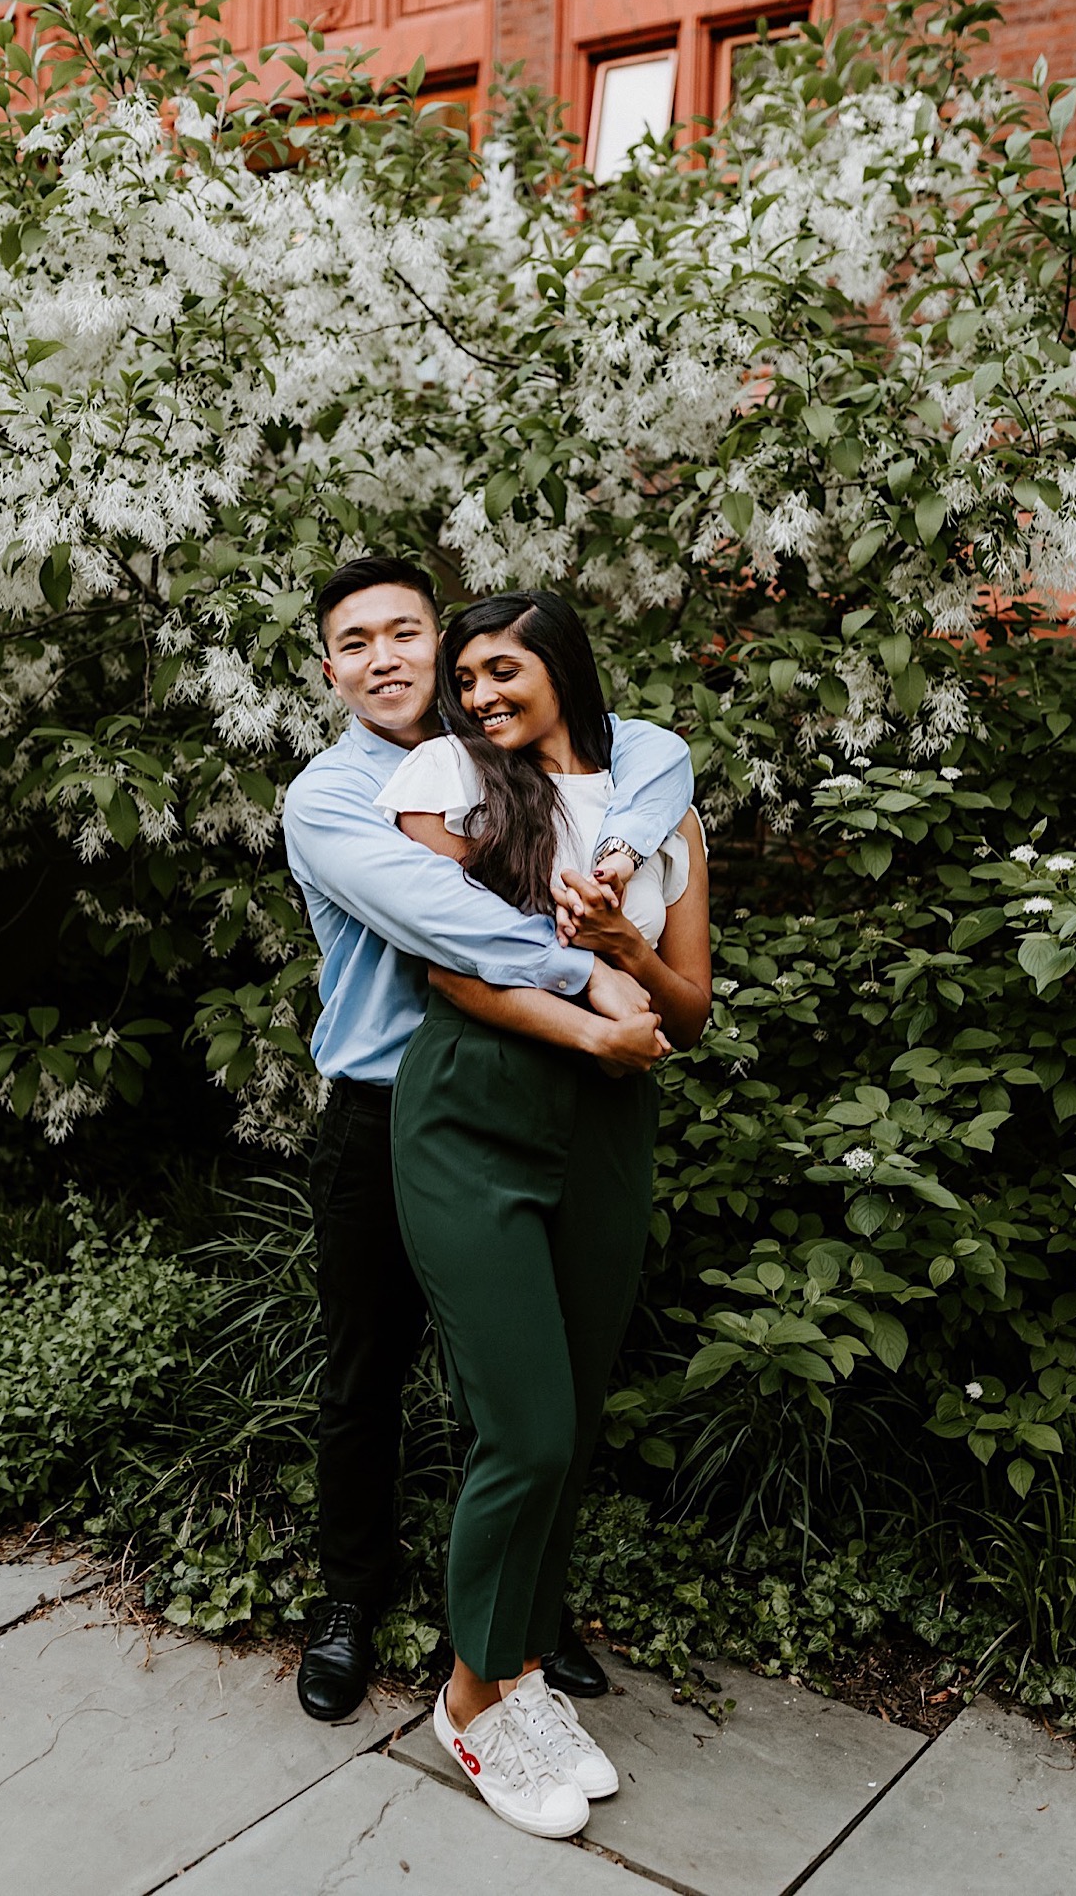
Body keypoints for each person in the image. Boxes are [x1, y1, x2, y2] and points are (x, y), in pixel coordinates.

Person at [281, 556, 694, 1724]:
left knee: (519, 1383)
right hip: (383, 1108)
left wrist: (622, 866)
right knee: (365, 1375)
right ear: (330, 672)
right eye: (354, 642)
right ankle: (350, 1602)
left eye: (404, 632)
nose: (384, 659)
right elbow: (442, 923)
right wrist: (596, 980)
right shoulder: (332, 796)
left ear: (443, 645)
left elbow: (655, 752)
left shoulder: (505, 762)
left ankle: (517, 1618)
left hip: (525, 1096)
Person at [381, 590, 711, 1840]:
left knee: (566, 1425)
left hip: (608, 1124)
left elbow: (686, 1011)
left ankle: (518, 1669)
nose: (478, 693)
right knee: (521, 1424)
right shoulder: (452, 776)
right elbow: (443, 958)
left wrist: (625, 936)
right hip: (471, 1114)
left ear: (561, 665)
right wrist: (582, 993)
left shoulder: (657, 800)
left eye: (501, 668)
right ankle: (467, 1696)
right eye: (464, 675)